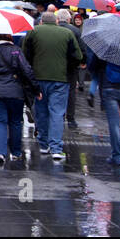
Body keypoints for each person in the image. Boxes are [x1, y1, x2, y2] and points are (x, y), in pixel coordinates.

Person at [23, 9, 81, 161]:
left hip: (39, 78)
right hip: (60, 79)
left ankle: (43, 144)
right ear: (56, 21)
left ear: (41, 21)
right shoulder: (66, 34)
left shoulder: (33, 32)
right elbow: (77, 56)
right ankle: (56, 147)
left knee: (41, 111)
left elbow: (25, 55)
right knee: (57, 113)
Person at [0, 33, 40, 166]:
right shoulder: (16, 50)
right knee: (15, 122)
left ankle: (0, 152)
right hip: (15, 91)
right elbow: (26, 70)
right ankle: (15, 152)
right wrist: (36, 89)